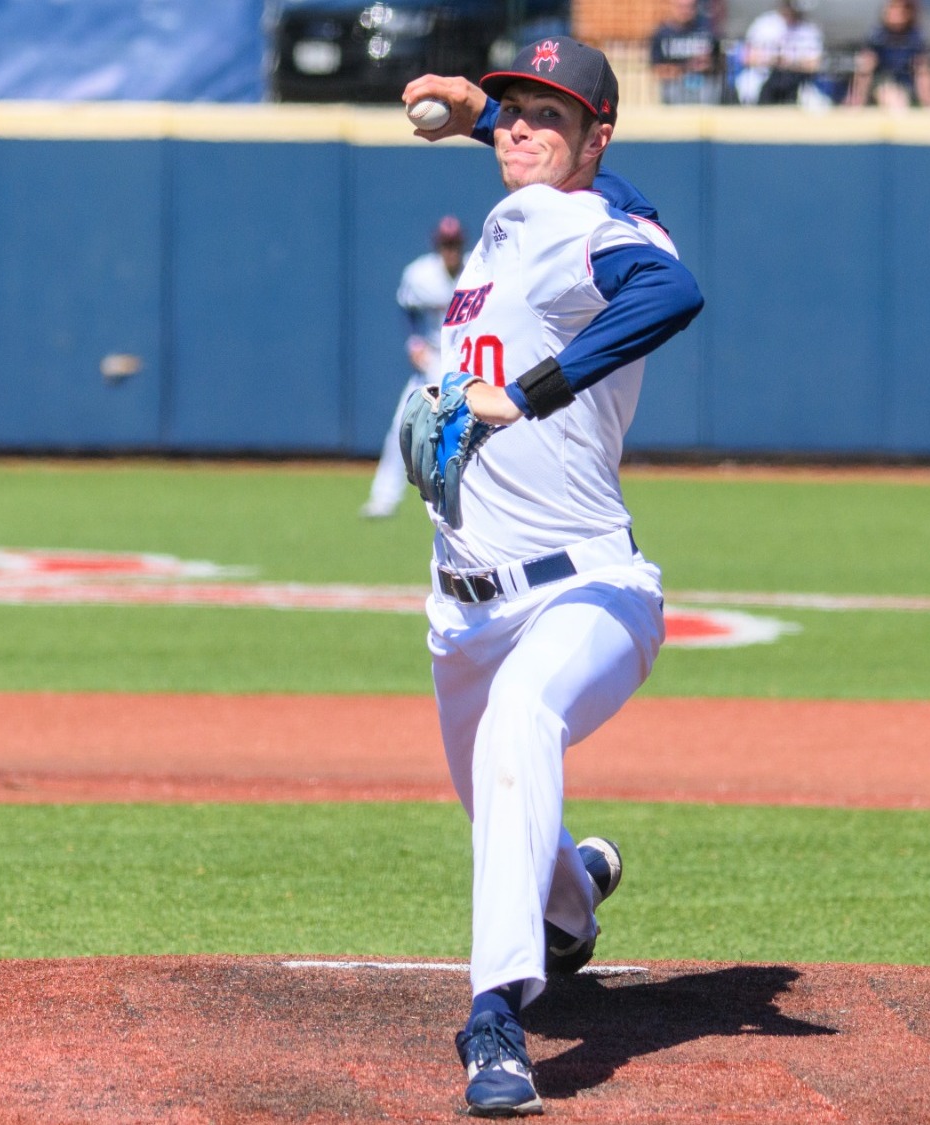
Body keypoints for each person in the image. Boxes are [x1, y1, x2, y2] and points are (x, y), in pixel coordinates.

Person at [399, 38, 704, 1118]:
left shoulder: (592, 226)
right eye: (516, 112)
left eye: (550, 115)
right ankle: (571, 906)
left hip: (588, 590)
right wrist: (481, 106)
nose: (523, 128)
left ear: (599, 140)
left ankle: (494, 1019)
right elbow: (534, 143)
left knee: (521, 725)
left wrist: (528, 391)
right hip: (461, 610)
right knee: (505, 819)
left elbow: (670, 292)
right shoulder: (506, 222)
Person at [363, 217, 468, 518]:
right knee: (402, 424)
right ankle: (384, 497)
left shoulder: (477, 269)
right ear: (437, 246)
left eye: (455, 244)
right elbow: (407, 309)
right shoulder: (421, 274)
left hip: (463, 360)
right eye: (445, 244)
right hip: (433, 358)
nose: (450, 250)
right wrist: (414, 343)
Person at [847, 0, 930, 109]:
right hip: (881, 84)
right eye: (892, 9)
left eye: (900, 10)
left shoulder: (915, 36)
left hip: (906, 84)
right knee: (868, 66)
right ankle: (856, 103)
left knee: (923, 69)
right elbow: (866, 66)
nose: (895, 14)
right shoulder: (877, 36)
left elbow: (922, 68)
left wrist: (929, 97)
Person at [735, 0, 824, 106]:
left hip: (796, 83)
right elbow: (746, 57)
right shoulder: (764, 24)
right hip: (761, 79)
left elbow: (814, 64)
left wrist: (790, 63)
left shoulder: (809, 29)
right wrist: (772, 60)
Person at [649, 0, 722, 106]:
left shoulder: (706, 30)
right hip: (675, 90)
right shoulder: (662, 34)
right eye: (681, 7)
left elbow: (719, 63)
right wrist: (685, 68)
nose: (685, 11)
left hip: (704, 89)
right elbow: (656, 69)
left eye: (689, 7)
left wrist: (707, 64)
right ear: (672, 7)